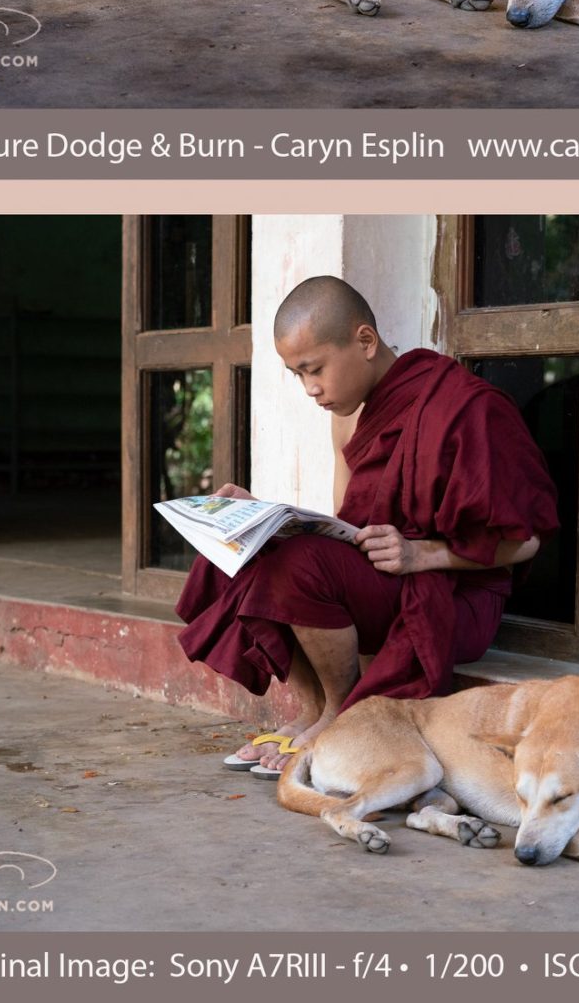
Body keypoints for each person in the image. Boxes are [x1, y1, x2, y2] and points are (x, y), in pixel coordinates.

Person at [174, 275, 559, 772]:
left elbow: (526, 541)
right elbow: (349, 525)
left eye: (315, 369)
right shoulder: (347, 415)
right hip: (385, 577)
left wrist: (422, 554)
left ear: (365, 341)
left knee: (301, 566)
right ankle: (312, 709)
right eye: (297, 375)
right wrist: (262, 517)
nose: (310, 389)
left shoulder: (466, 406)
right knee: (248, 552)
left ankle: (340, 714)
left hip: (452, 593)